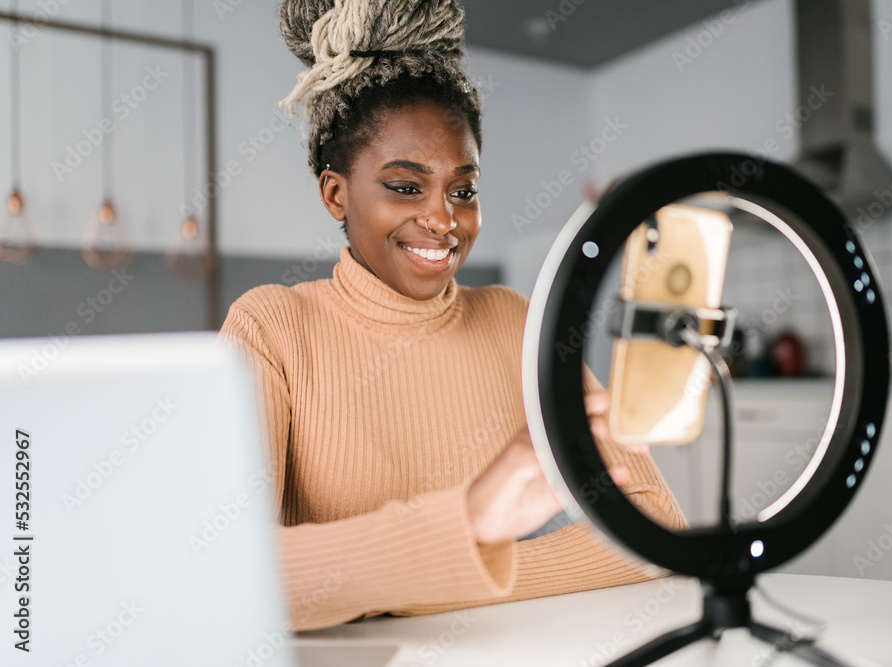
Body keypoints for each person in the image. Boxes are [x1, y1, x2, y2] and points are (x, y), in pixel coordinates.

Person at [217, 0, 688, 631]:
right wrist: (468, 532)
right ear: (335, 192)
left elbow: (654, 522)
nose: (443, 220)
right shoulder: (270, 330)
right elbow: (234, 574)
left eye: (463, 190)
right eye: (406, 187)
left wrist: (430, 578)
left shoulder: (515, 322)